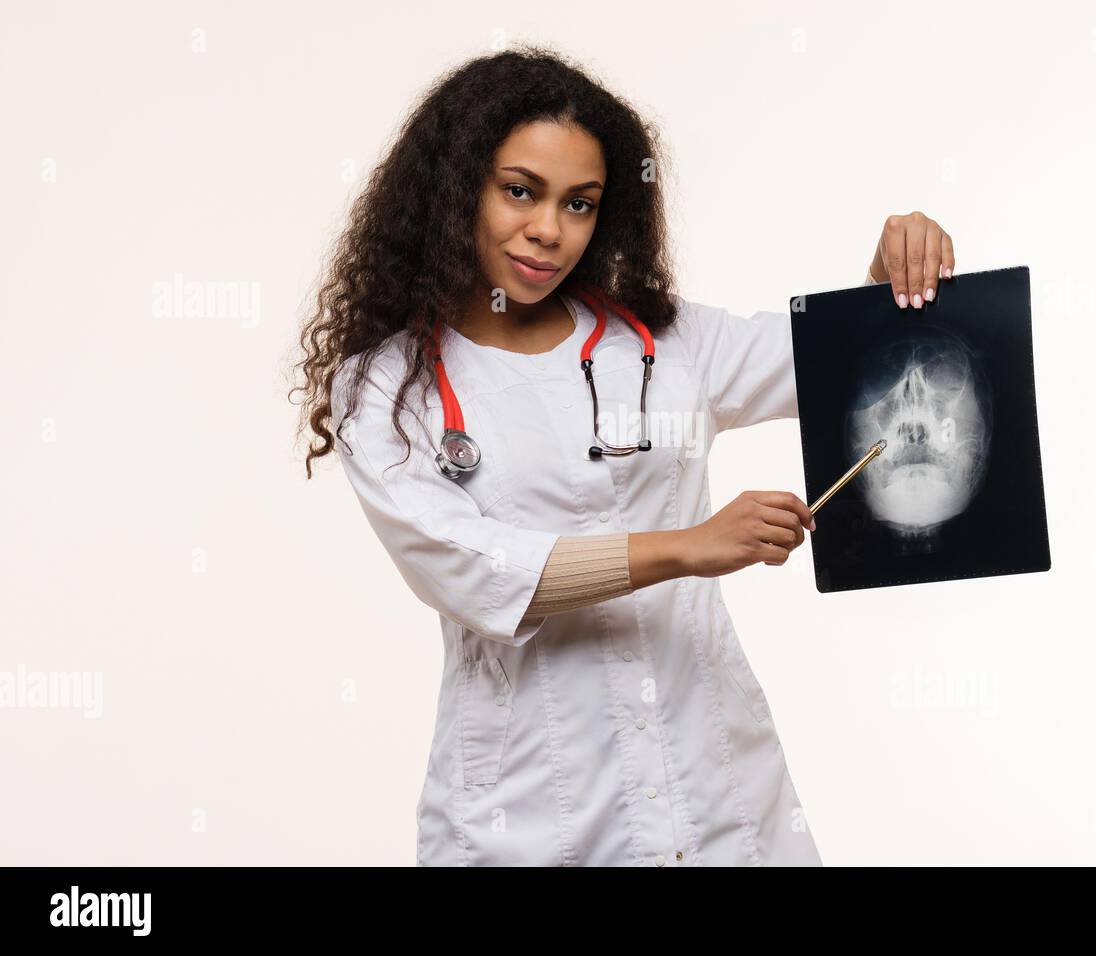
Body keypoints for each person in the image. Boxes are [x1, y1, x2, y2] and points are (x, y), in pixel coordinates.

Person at [291, 45, 956, 866]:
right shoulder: (387, 389)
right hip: (531, 812)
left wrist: (892, 273)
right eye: (519, 191)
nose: (549, 230)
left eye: (581, 203)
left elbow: (839, 366)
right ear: (457, 183)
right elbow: (468, 569)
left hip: (718, 786)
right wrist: (687, 547)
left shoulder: (662, 341)